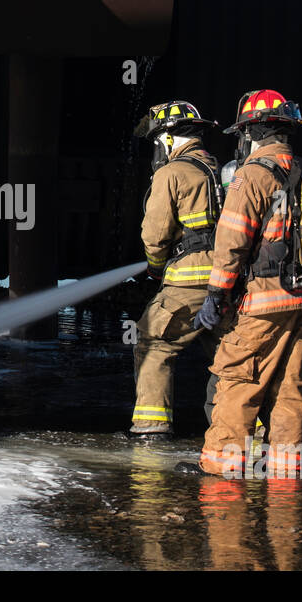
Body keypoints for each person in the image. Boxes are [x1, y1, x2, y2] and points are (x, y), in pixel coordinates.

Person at [196, 89, 302, 477]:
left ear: (251, 133)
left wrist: (216, 293)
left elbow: (233, 239)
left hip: (263, 300)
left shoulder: (252, 175)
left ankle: (221, 469)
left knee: (236, 380)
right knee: (288, 387)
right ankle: (286, 471)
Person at [129, 101, 224, 439]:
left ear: (168, 138)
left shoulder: (170, 173)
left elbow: (154, 233)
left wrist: (155, 268)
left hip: (188, 282)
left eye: (157, 140)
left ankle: (151, 426)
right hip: (225, 281)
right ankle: (240, 430)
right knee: (227, 357)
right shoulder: (218, 170)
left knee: (153, 344)